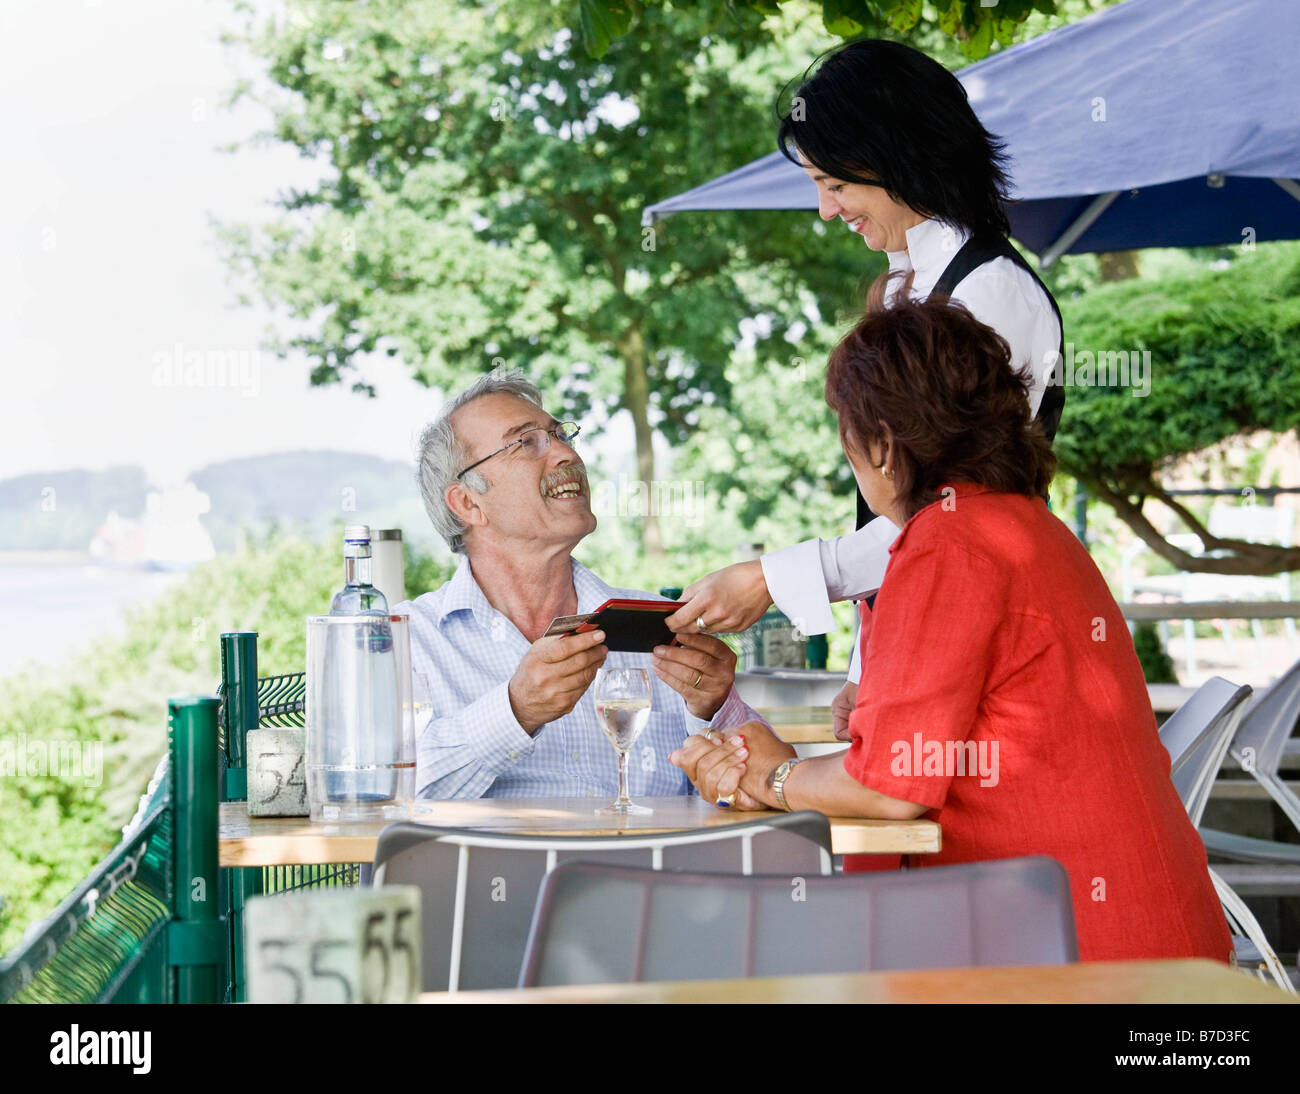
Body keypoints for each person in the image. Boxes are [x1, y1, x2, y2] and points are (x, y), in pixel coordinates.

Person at [670, 298, 1231, 964]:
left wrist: (773, 777)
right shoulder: (1025, 525)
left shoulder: (949, 542)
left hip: (1078, 952)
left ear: (881, 442)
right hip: (1139, 929)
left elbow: (887, 788)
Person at [665, 39, 1065, 737]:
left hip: (980, 652)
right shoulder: (905, 286)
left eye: (836, 184)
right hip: (920, 643)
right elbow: (905, 519)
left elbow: (954, 519)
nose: (824, 210)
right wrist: (864, 666)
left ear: (898, 158)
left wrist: (772, 578)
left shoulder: (991, 292)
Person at [394, 370, 761, 800]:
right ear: (468, 502)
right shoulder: (404, 638)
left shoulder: (661, 624)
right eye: (526, 442)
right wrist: (515, 711)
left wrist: (714, 709)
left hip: (645, 866)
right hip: (500, 869)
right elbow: (385, 792)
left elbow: (763, 788)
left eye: (560, 435)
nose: (567, 455)